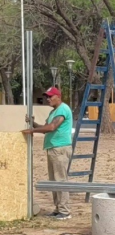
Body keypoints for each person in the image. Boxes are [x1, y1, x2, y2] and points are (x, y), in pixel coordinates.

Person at [21, 87, 73, 220]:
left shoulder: (62, 109)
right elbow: (44, 128)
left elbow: (51, 127)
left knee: (60, 180)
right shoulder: (53, 112)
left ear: (58, 96)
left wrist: (32, 131)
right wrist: (34, 124)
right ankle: (58, 208)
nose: (48, 99)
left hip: (60, 148)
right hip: (53, 148)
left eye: (50, 97)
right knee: (54, 180)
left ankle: (65, 211)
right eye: (47, 97)